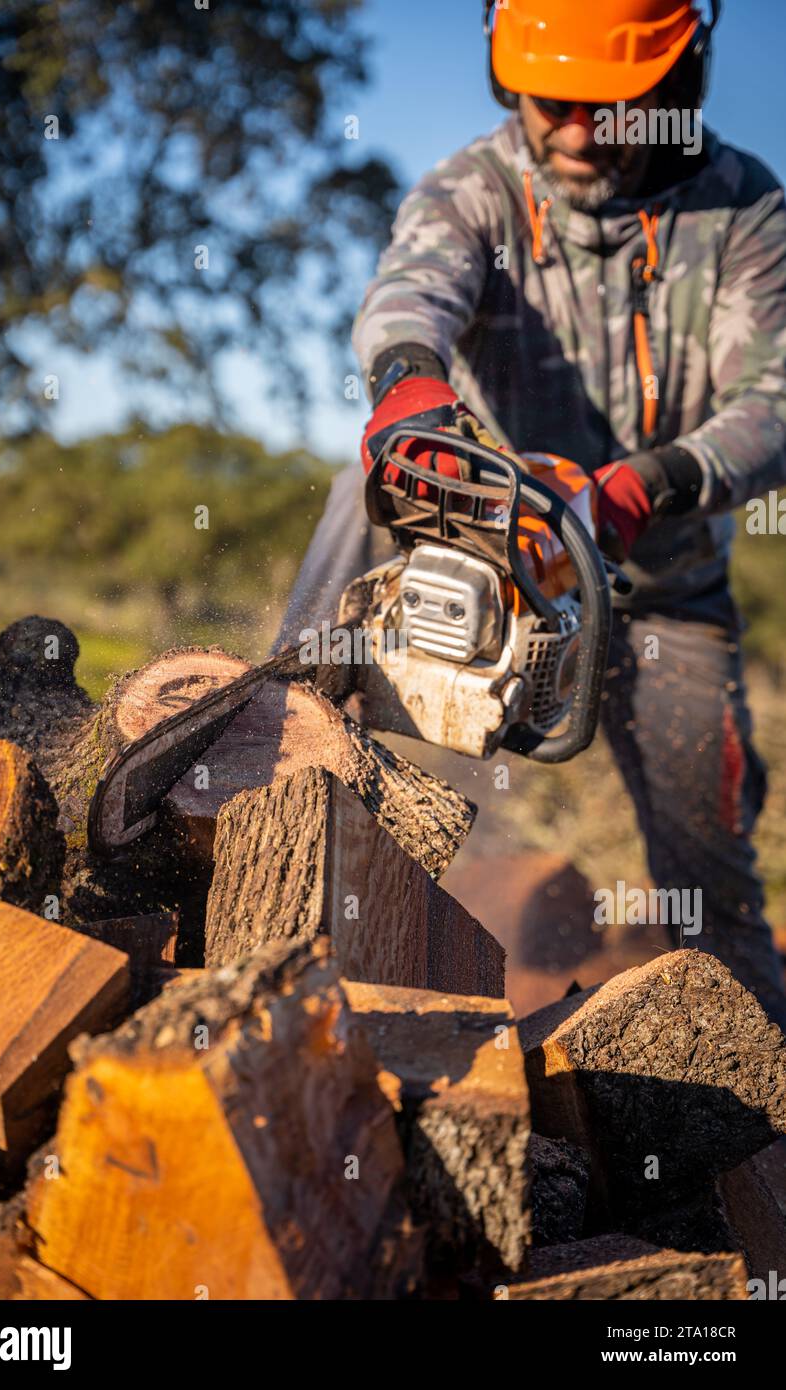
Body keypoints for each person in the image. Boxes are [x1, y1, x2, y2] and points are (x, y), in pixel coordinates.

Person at [284, 0, 786, 1025]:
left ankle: (747, 1133)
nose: (568, 127)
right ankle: (280, 732)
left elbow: (772, 406)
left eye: (604, 105)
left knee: (713, 887)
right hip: (491, 542)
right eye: (547, 99)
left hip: (660, 593)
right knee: (361, 489)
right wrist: (407, 382)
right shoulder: (474, 188)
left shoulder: (742, 209)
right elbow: (406, 294)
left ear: (674, 79)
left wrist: (641, 485)